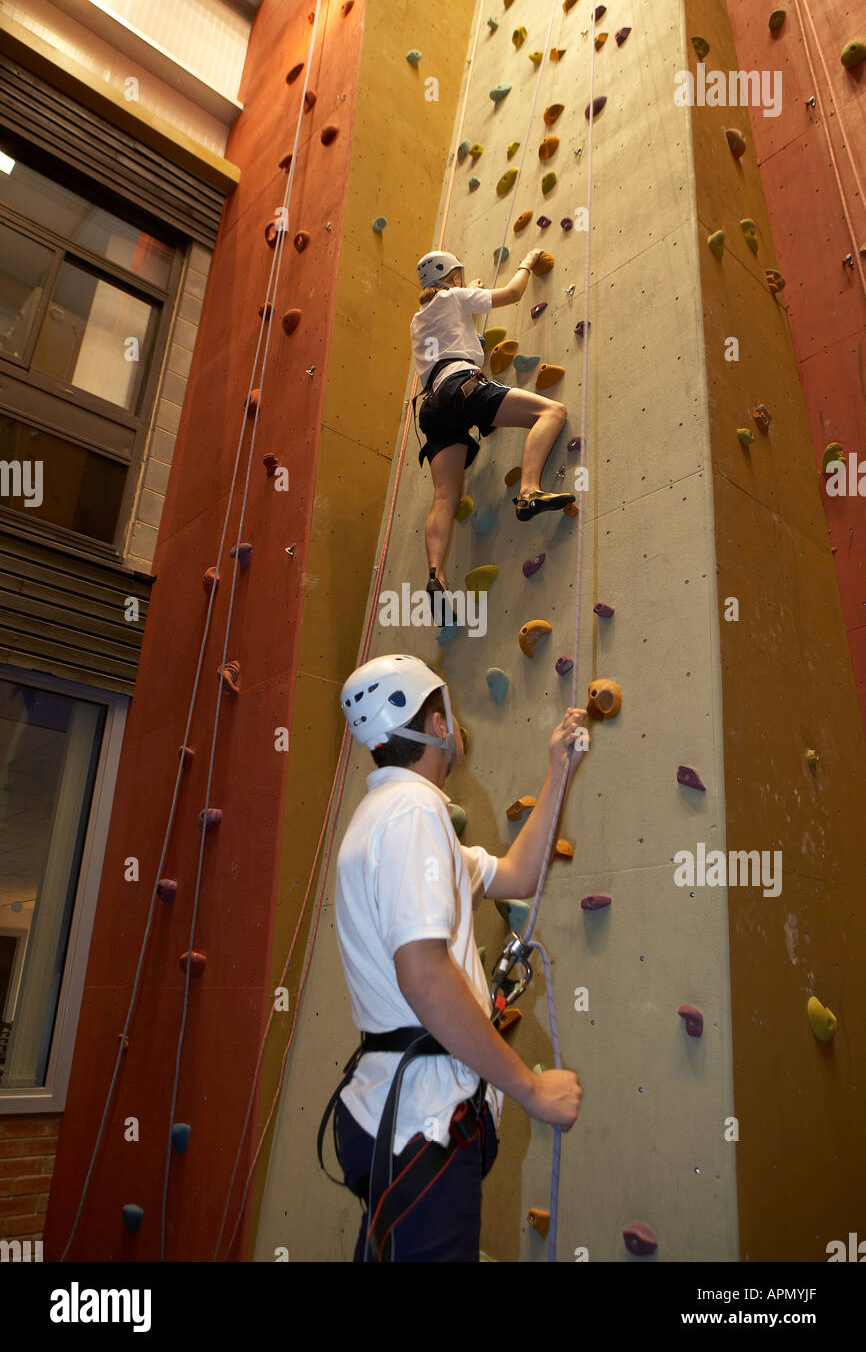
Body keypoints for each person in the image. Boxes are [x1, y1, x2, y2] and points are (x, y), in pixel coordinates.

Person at [320, 653, 586, 1261]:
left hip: (389, 1116)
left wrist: (558, 771)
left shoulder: (388, 819)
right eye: (452, 713)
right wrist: (530, 1090)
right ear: (437, 726)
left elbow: (517, 875)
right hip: (423, 1121)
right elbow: (424, 974)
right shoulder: (414, 813)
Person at [410, 250, 575, 623]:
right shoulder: (454, 297)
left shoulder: (419, 320)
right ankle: (529, 492)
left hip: (434, 404)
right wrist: (528, 262)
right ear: (454, 279)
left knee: (444, 495)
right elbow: (514, 293)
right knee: (552, 412)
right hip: (461, 384)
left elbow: (454, 328)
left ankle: (436, 574)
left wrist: (470, 294)